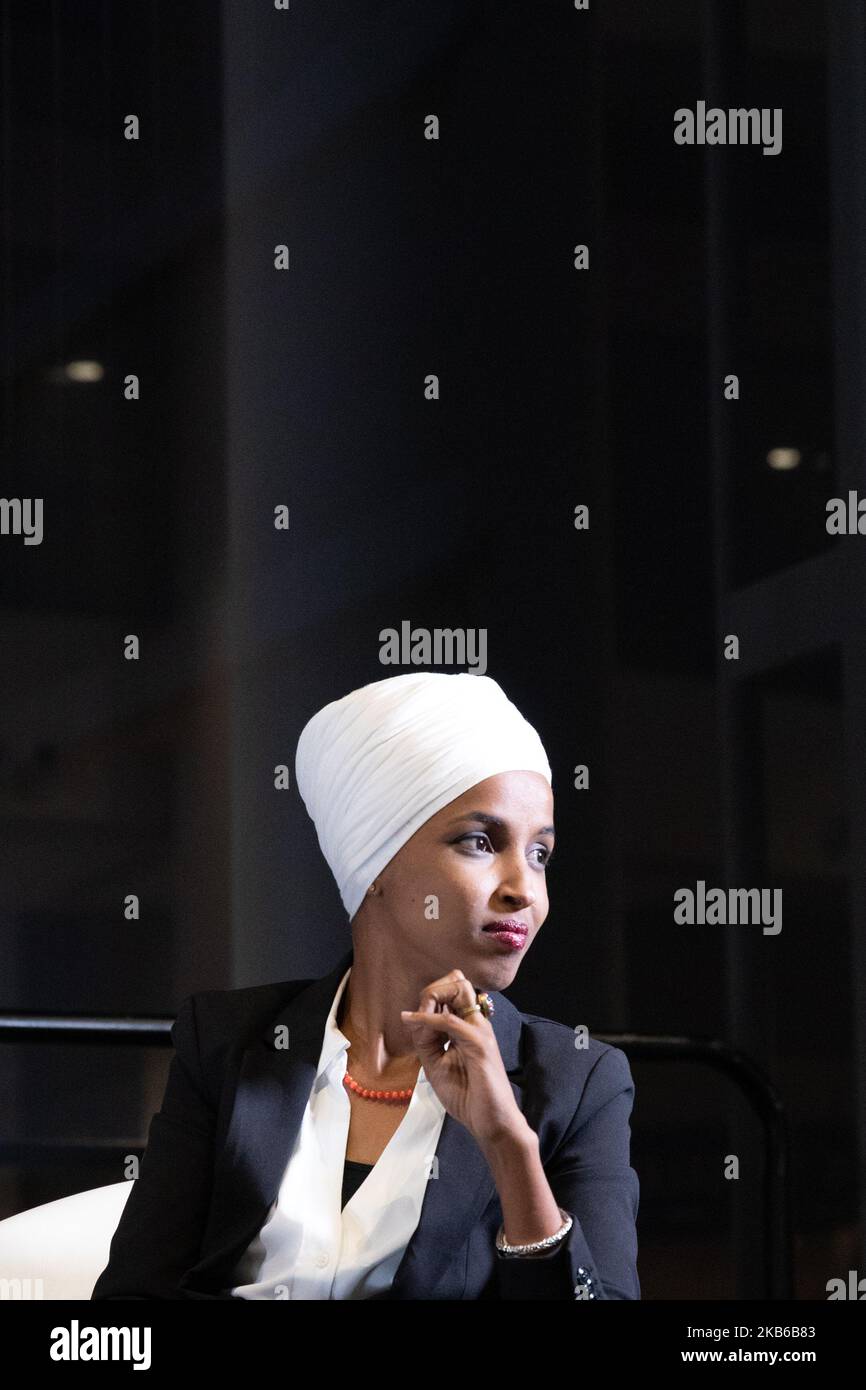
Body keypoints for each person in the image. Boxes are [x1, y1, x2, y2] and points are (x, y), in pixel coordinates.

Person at [92, 670, 639, 1300]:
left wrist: (508, 1144)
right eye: (481, 842)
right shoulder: (225, 1045)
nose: (524, 888)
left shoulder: (578, 1083)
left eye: (540, 853)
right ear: (372, 861)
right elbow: (127, 1307)